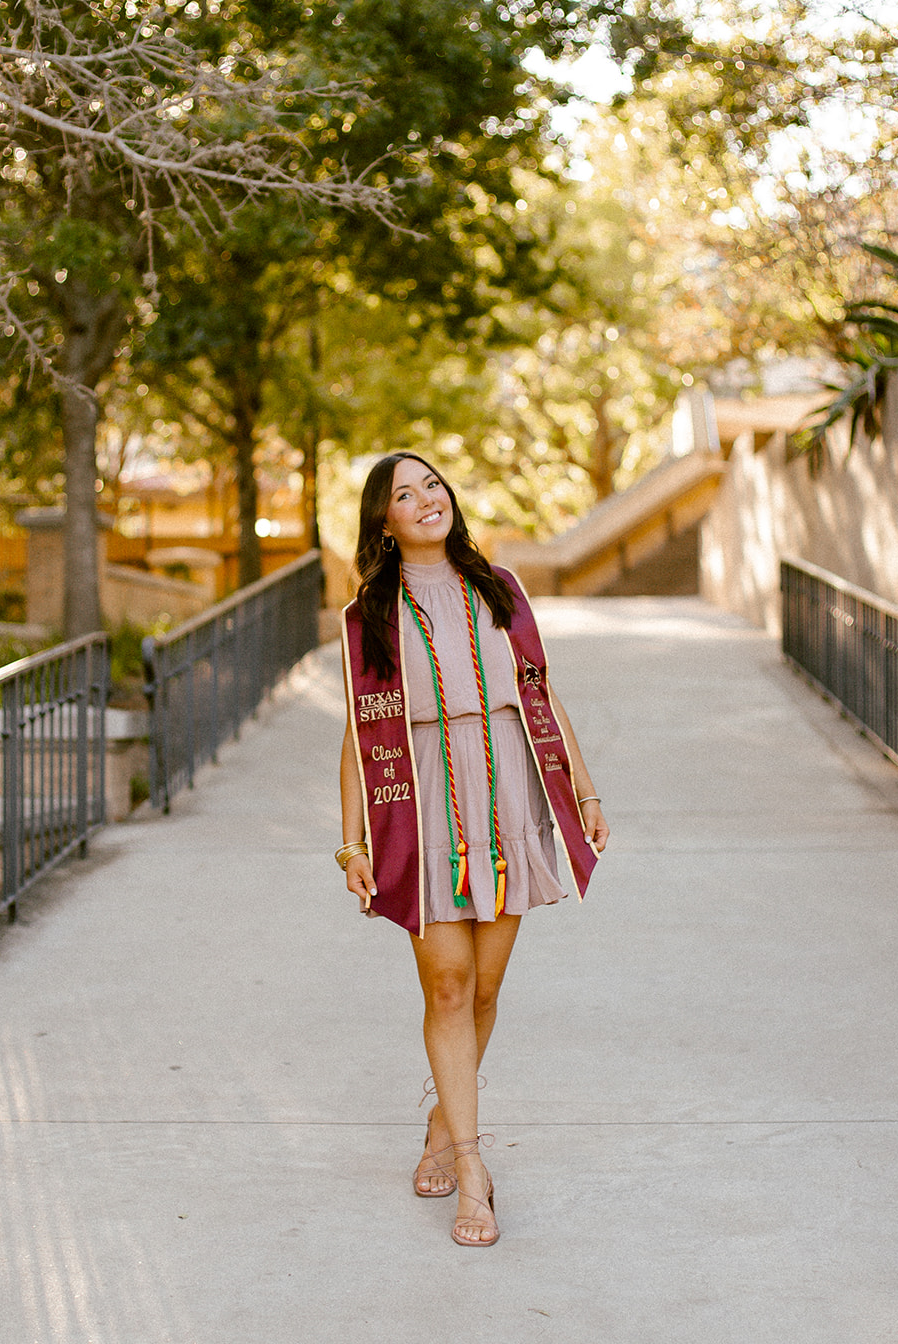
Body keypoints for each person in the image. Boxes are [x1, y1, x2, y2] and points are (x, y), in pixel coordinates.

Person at [337, 452, 609, 1248]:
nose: (426, 500)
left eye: (432, 485)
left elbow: (542, 692)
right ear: (381, 521)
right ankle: (471, 1166)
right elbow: (355, 732)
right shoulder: (368, 617)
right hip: (420, 804)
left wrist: (584, 793)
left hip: (506, 799)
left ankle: (437, 1122)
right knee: (449, 988)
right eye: (403, 494)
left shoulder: (501, 588)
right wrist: (349, 839)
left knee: (485, 987)